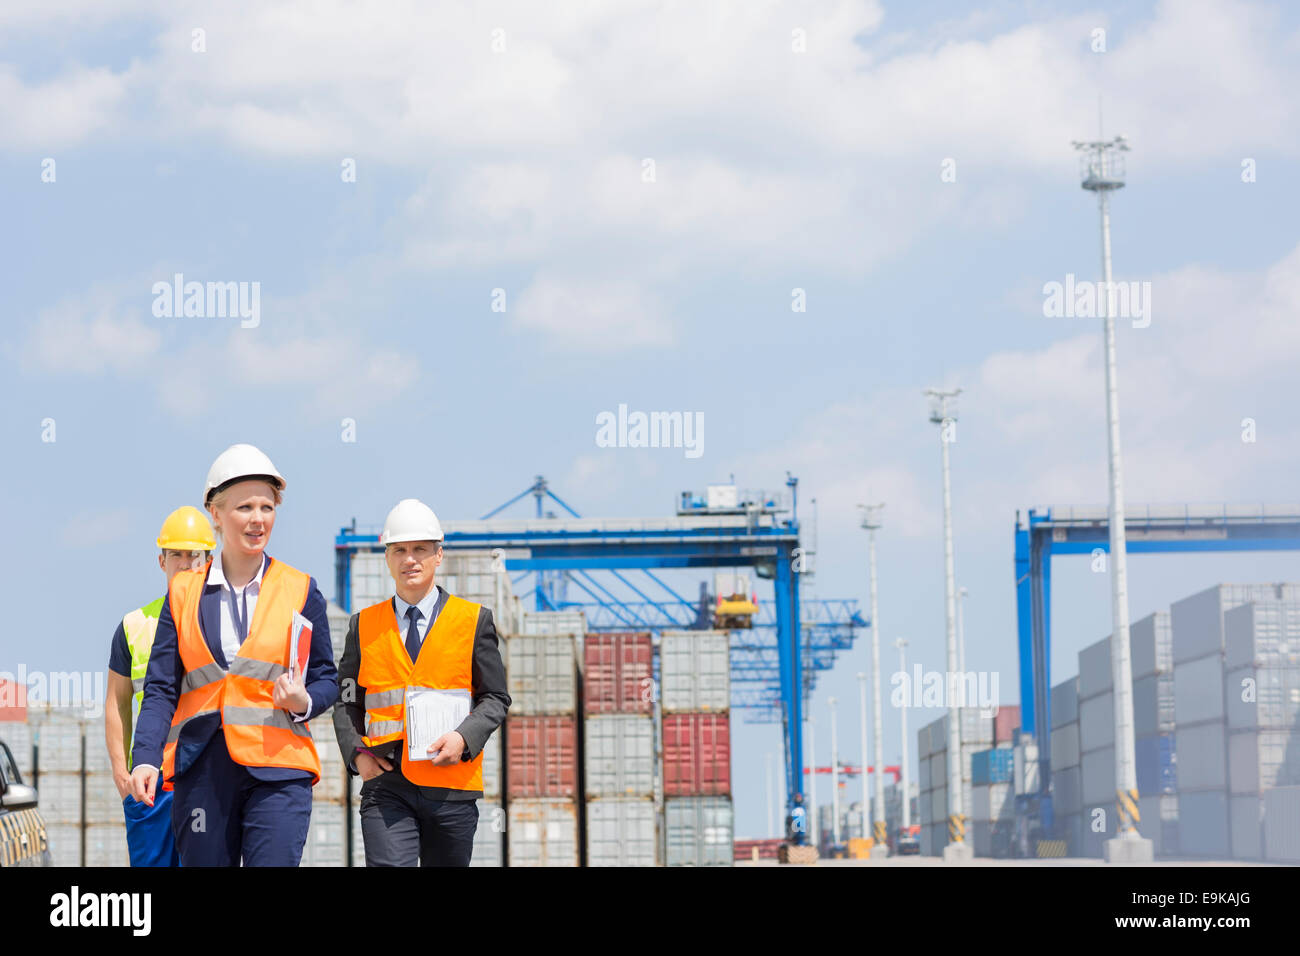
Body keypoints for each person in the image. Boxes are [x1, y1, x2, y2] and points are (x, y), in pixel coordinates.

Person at [129, 444, 338, 866]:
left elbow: (327, 678)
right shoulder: (183, 594)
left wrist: (305, 701)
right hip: (202, 768)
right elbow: (161, 688)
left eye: (267, 507)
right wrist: (146, 757)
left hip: (279, 769)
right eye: (244, 507)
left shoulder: (300, 590)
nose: (257, 519)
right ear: (216, 513)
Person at [334, 498, 509, 866]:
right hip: (386, 783)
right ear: (387, 557)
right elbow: (347, 699)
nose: (409, 559)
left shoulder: (473, 620)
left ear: (438, 555)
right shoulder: (362, 625)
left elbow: (495, 697)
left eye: (419, 549)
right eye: (399, 549)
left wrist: (464, 737)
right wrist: (356, 755)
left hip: (452, 785)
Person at [106, 506, 214, 867]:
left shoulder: (227, 623)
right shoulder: (133, 626)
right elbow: (117, 704)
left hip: (208, 781)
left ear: (210, 560)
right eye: (176, 555)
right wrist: (123, 776)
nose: (185, 564)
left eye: (193, 556)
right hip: (150, 787)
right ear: (161, 561)